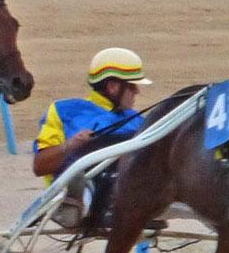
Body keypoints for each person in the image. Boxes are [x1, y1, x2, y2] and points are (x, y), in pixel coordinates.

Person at [32, 48, 152, 228]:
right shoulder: (63, 111)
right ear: (113, 87)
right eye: (132, 86)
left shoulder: (138, 121)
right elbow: (40, 166)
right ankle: (74, 204)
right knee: (82, 175)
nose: (137, 92)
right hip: (82, 186)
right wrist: (70, 145)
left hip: (127, 189)